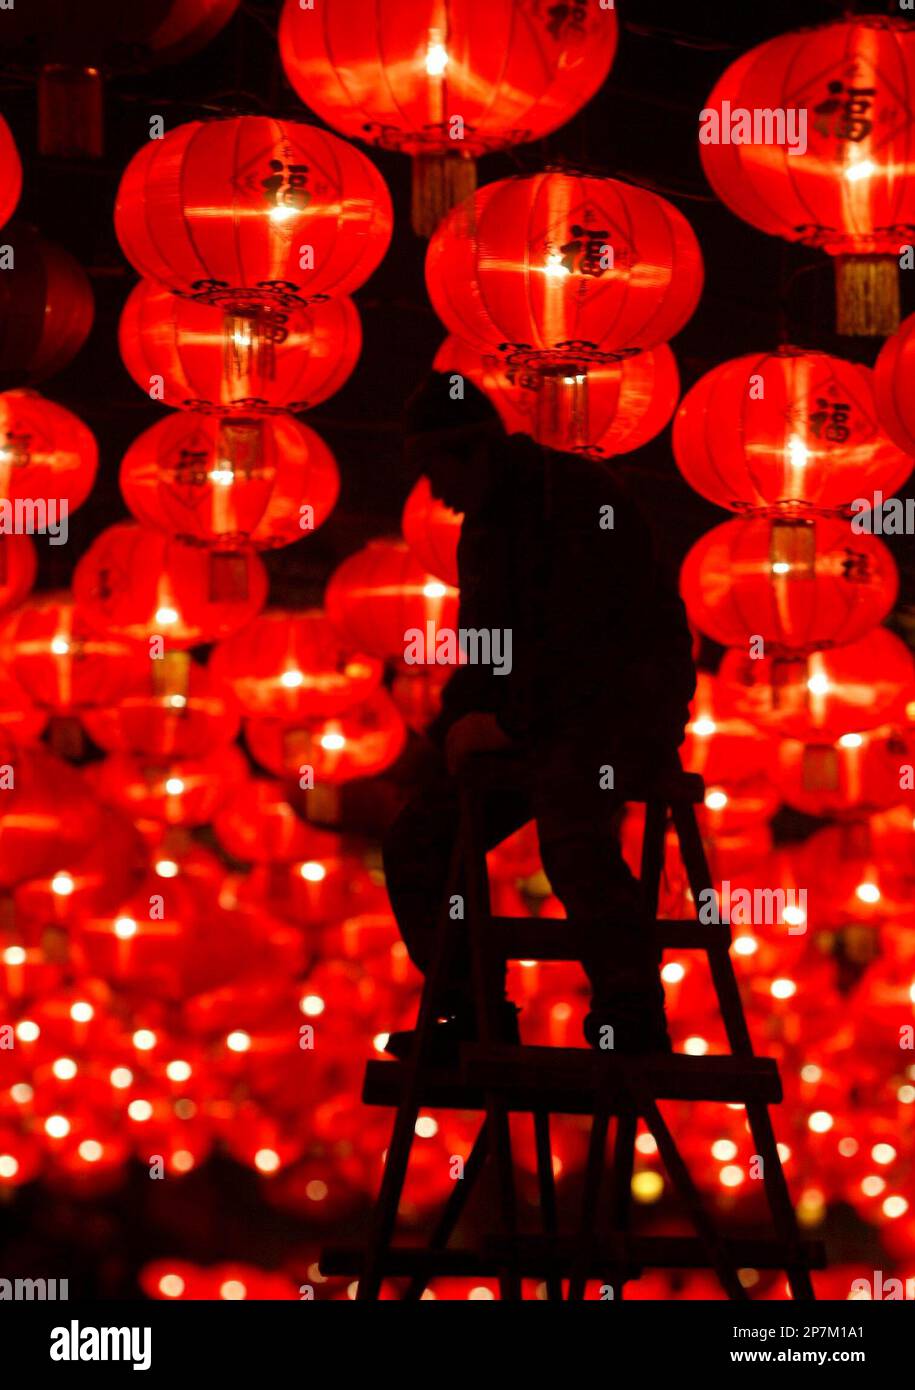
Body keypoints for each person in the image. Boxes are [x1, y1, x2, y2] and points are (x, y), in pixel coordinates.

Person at [383, 370, 696, 1060]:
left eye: (437, 470)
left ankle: (631, 1008)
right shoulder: (481, 531)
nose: (436, 493)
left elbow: (590, 651)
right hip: (535, 720)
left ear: (473, 450)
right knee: (417, 842)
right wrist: (446, 741)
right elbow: (484, 657)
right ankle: (469, 1008)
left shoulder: (579, 500)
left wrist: (508, 725)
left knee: (571, 831)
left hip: (618, 711)